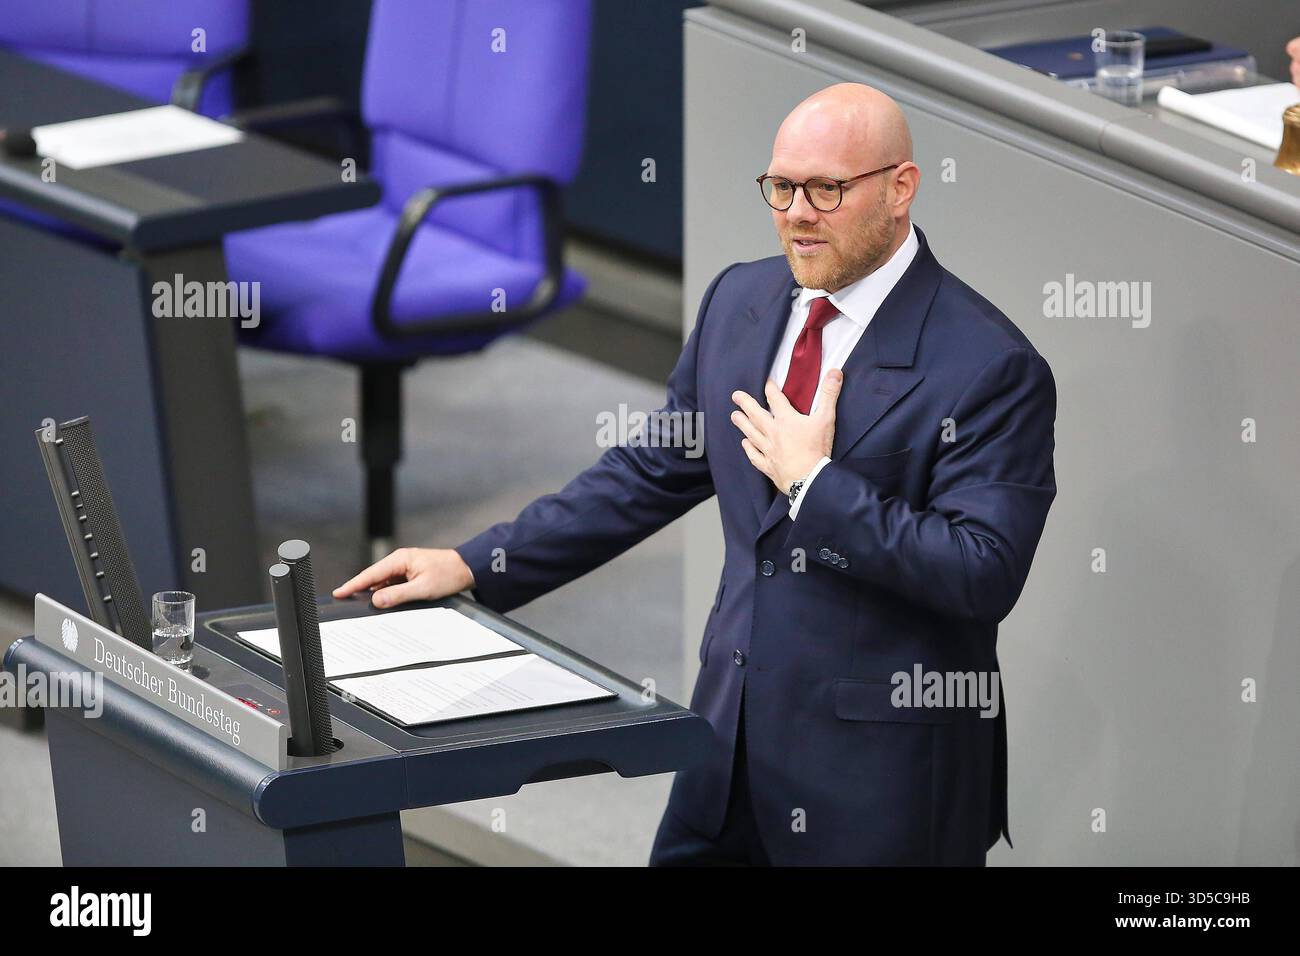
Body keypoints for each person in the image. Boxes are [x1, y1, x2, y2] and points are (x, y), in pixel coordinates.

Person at [334, 83, 1057, 866]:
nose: (797, 214)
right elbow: (647, 474)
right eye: (780, 188)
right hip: (727, 747)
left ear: (901, 187)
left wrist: (815, 485)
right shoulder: (740, 302)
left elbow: (981, 572)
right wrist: (477, 561)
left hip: (881, 789)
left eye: (826, 190)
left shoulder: (991, 367)